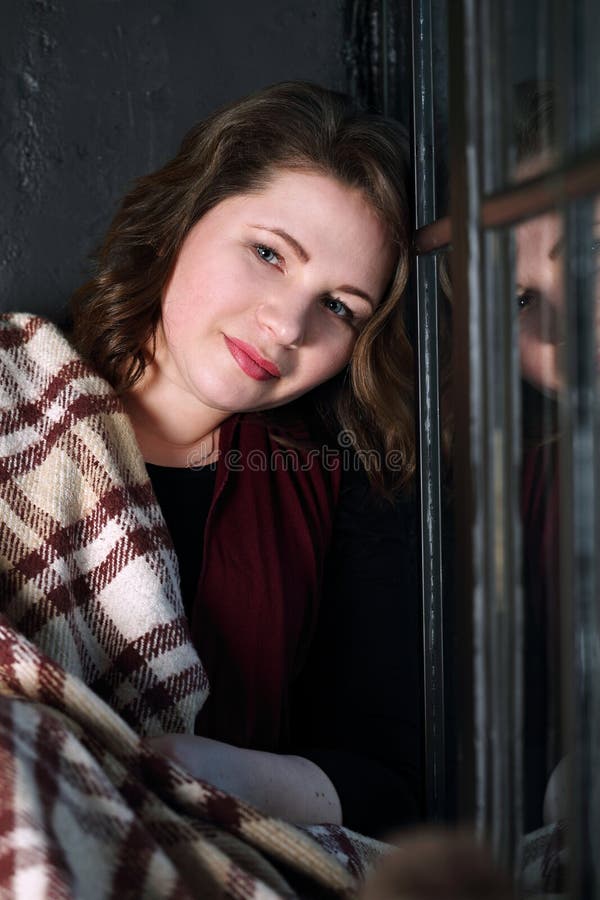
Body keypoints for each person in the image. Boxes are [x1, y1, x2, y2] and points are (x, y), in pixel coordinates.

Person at [21, 81, 420, 837]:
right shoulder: (19, 400)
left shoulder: (337, 485)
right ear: (186, 218)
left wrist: (212, 771)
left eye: (340, 306)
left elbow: (391, 783)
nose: (287, 323)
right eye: (269, 254)